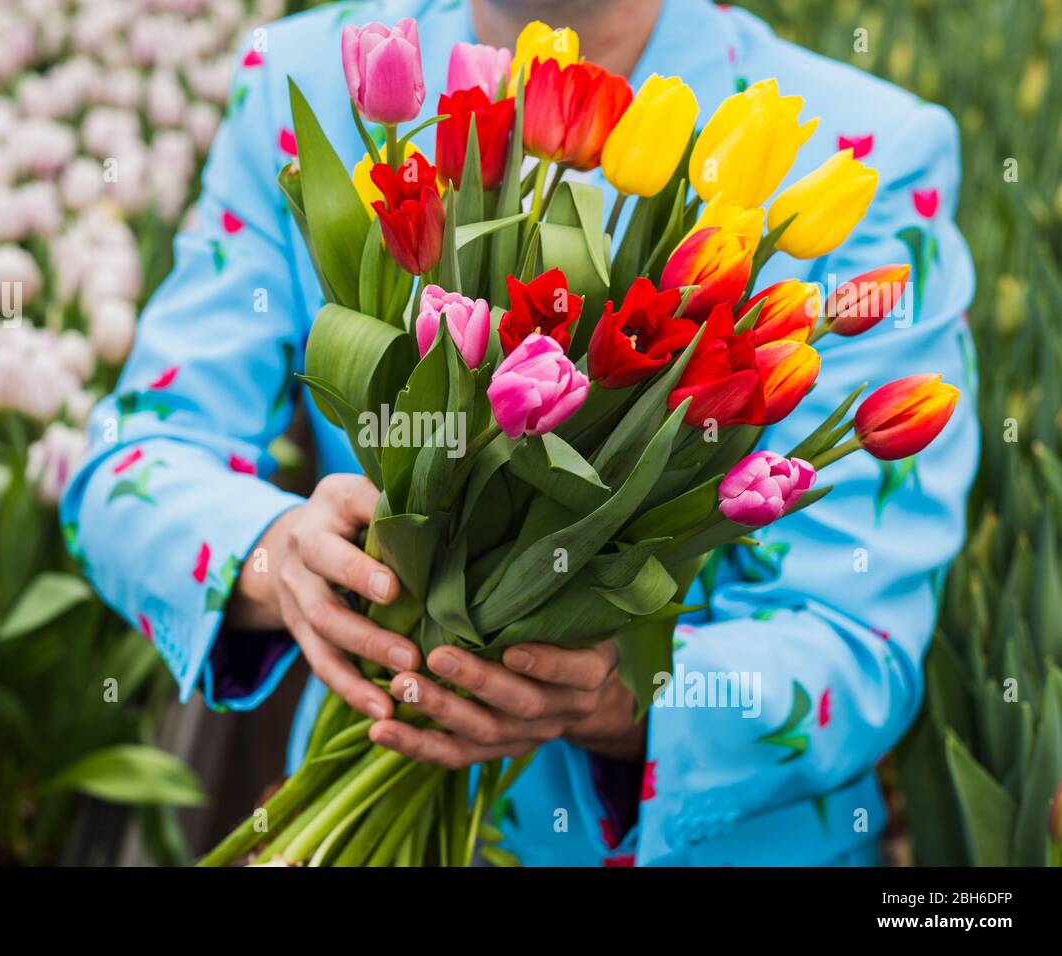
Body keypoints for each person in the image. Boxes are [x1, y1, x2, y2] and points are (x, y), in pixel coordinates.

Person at [62, 0, 978, 866]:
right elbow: (133, 463)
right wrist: (283, 560)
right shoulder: (316, 79)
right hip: (361, 781)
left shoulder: (855, 151)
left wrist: (623, 696)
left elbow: (860, 643)